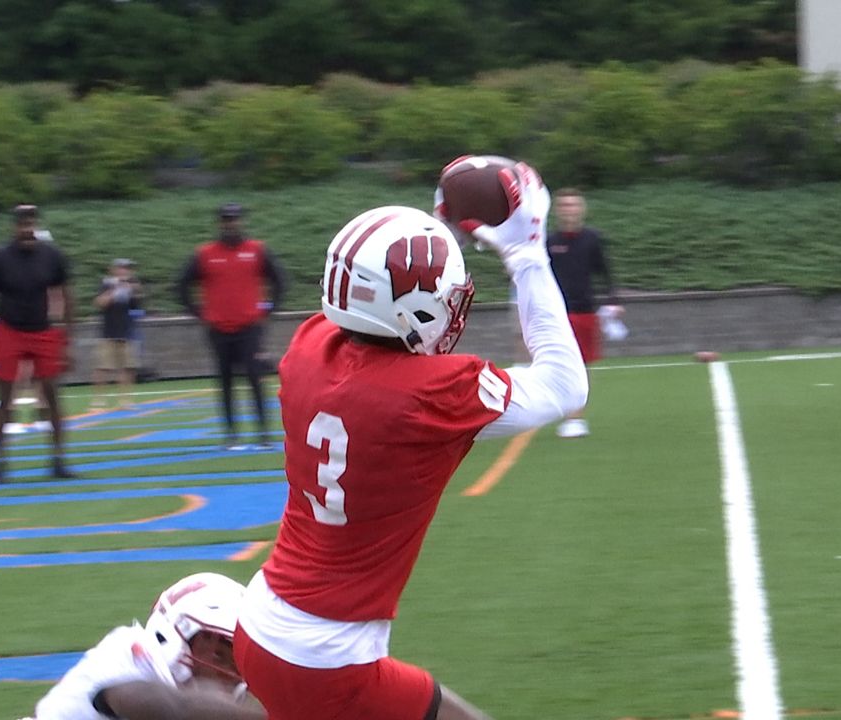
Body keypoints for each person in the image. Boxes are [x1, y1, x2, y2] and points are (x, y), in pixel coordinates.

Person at [233, 163, 588, 720]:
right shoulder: (430, 393)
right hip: (328, 656)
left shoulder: (307, 348)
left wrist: (433, 224)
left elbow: (373, 296)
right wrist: (527, 255)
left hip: (260, 620)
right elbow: (567, 384)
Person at [22, 572, 266, 720]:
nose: (236, 674)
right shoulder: (129, 652)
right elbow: (172, 708)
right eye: (224, 654)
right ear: (179, 638)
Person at [0, 205, 76, 483]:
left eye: (30, 222)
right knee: (4, 398)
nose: (26, 228)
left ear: (36, 224)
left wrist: (67, 337)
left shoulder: (52, 255)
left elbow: (67, 295)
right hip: (8, 329)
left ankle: (58, 460)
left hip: (43, 330)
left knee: (52, 395)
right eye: (22, 223)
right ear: (14, 227)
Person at [177, 203, 285, 450]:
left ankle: (264, 433)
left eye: (235, 219)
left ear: (241, 222)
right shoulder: (205, 253)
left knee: (255, 378)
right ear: (220, 223)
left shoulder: (256, 250)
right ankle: (231, 434)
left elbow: (279, 280)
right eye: (226, 220)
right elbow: (181, 286)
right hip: (218, 329)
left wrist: (268, 309)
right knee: (225, 380)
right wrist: (200, 313)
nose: (231, 224)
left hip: (249, 327)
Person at [545, 187, 621, 438]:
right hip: (557, 313)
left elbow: (606, 273)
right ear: (558, 210)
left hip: (585, 311)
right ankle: (565, 412)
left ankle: (576, 418)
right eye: (565, 205)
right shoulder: (549, 242)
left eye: (574, 205)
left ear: (582, 209)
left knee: (582, 365)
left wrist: (614, 300)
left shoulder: (593, 238)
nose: (570, 209)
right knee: (558, 364)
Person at [92, 259, 143, 409]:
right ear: (114, 269)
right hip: (108, 332)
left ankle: (125, 399)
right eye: (121, 268)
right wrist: (115, 289)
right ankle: (98, 399)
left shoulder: (132, 285)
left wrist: (135, 290)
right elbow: (99, 303)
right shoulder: (106, 284)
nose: (125, 271)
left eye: (127, 268)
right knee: (102, 367)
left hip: (127, 331)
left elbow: (138, 307)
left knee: (128, 366)